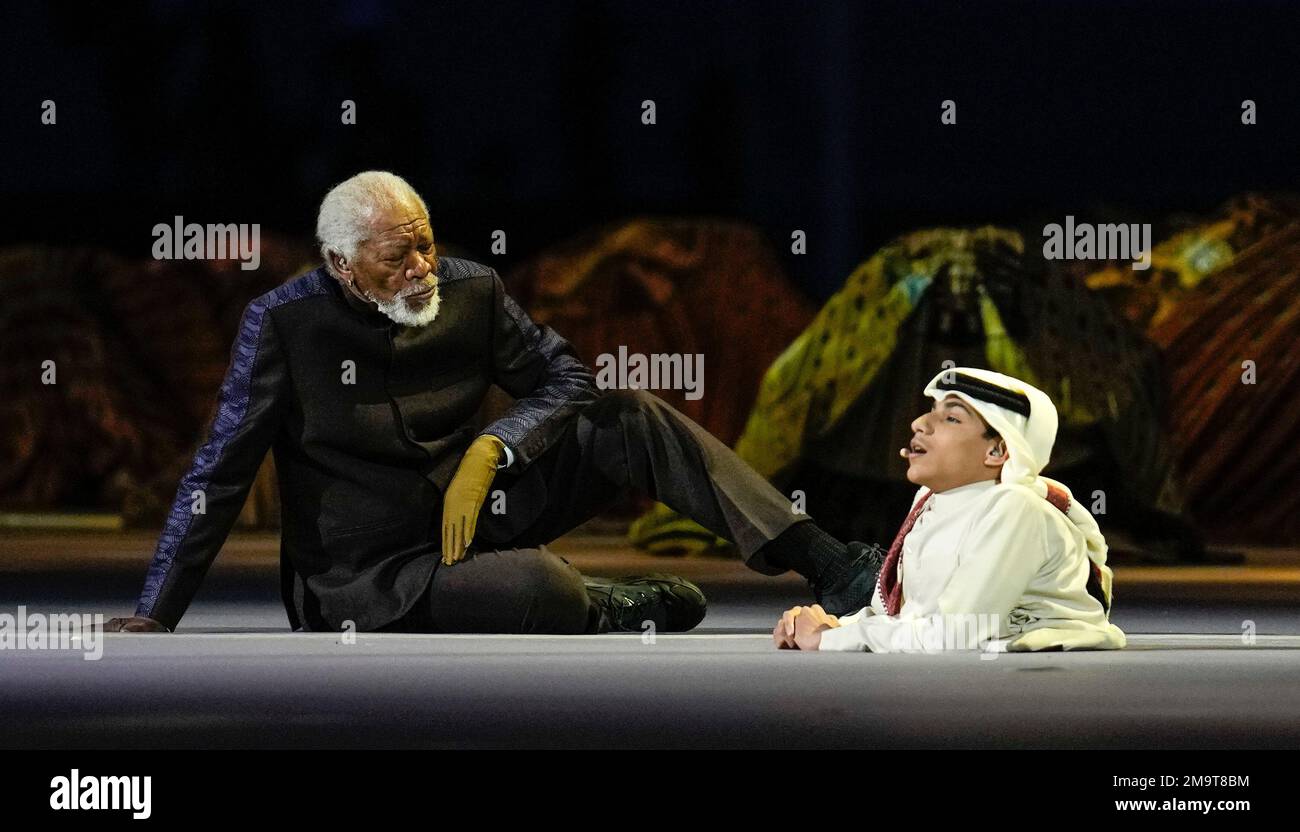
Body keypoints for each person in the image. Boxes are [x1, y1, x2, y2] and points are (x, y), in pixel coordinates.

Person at [104, 171, 877, 635]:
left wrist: (492, 448)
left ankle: (830, 564)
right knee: (539, 585)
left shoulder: (471, 290)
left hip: (482, 512)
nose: (421, 266)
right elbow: (220, 470)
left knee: (629, 412)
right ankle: (602, 604)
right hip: (373, 574)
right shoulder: (283, 324)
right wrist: (157, 609)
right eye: (395, 254)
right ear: (341, 264)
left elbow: (568, 379)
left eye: (426, 242)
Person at [774, 367, 1127, 653]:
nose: (919, 424)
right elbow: (909, 617)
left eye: (951, 419)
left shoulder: (1016, 508)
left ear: (998, 451)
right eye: (931, 412)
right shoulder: (931, 499)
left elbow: (956, 635)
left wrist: (830, 640)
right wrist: (831, 623)